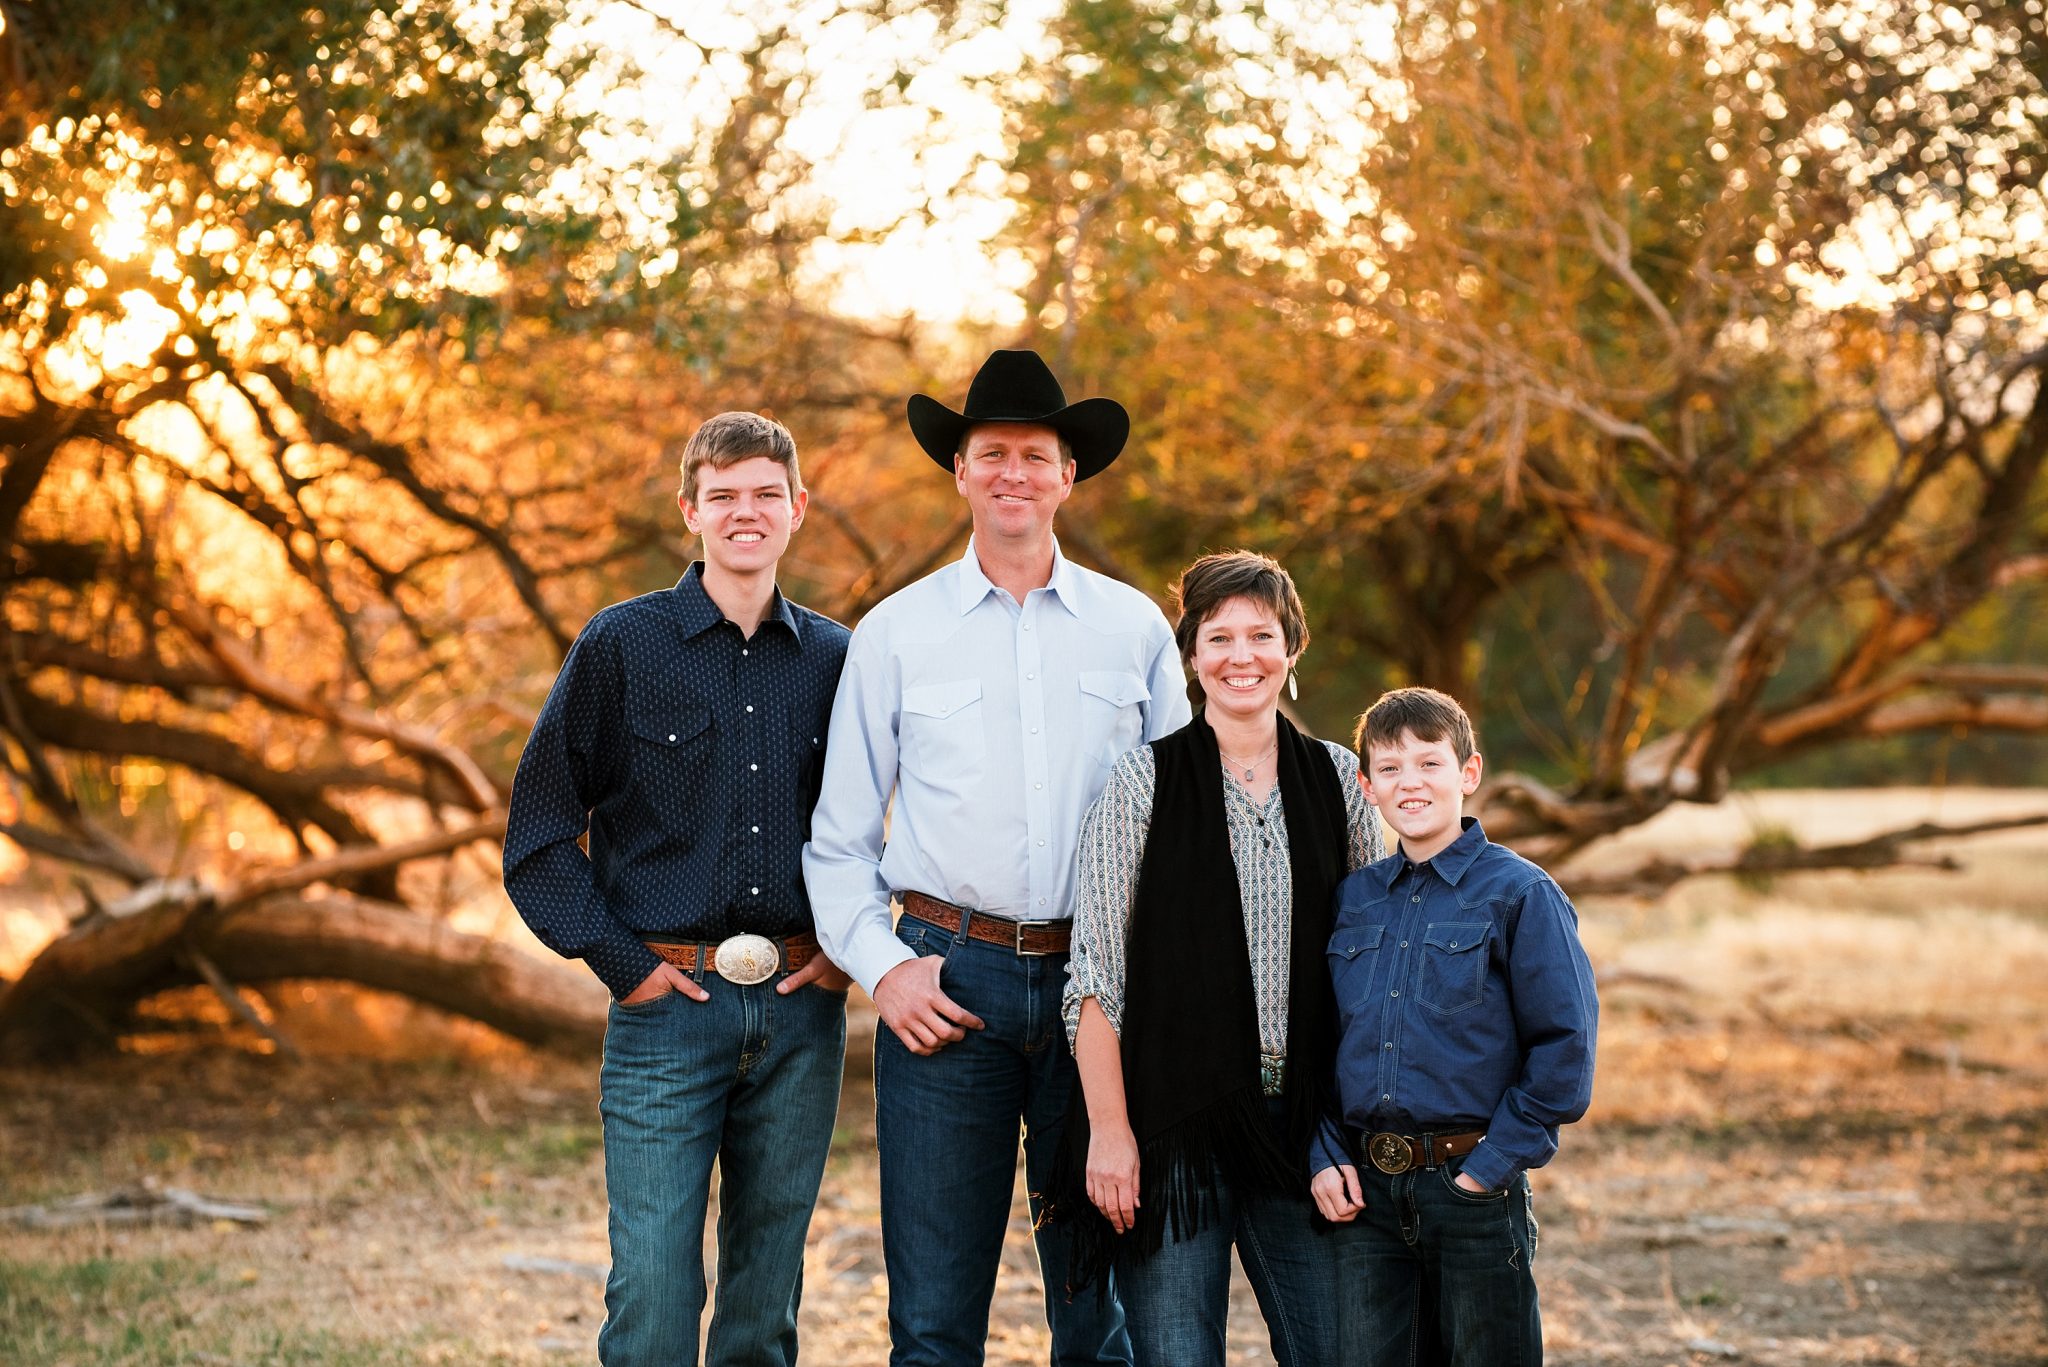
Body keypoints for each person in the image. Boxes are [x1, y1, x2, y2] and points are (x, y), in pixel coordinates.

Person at [804, 349, 1189, 1367]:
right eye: (991, 453)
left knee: (1098, 1316)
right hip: (947, 984)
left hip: (1099, 989)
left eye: (1033, 455)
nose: (1012, 472)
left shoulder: (1134, 630)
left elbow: (1182, 827)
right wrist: (886, 970)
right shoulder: (894, 634)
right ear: (960, 471)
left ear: (1067, 474)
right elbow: (839, 841)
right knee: (934, 1323)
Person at [502, 412, 853, 1367]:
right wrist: (625, 966)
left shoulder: (838, 659)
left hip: (800, 1013)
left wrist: (843, 951)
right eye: (724, 494)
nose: (747, 512)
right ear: (690, 510)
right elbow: (539, 832)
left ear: (798, 508)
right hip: (666, 1009)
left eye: (766, 493)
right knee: (653, 1292)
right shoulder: (621, 644)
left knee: (764, 1302)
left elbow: (877, 821)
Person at [1055, 550, 1384, 1367]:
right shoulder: (1142, 781)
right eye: (1220, 636)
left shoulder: (1340, 779)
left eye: (1262, 635)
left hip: (1308, 1128)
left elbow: (1368, 970)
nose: (1243, 655)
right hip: (1173, 1127)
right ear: (1192, 655)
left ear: (1292, 647)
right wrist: (1111, 1132)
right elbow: (1094, 977)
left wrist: (1352, 1131)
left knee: (1340, 1351)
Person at [1311, 686, 1599, 1366]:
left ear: (1468, 773)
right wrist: (1324, 1154)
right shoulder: (1353, 900)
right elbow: (1321, 1043)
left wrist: (1487, 1170)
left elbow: (1565, 1047)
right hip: (1366, 1199)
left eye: (1429, 763)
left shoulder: (1520, 892)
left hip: (1472, 1185)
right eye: (1389, 767)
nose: (1409, 782)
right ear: (1367, 786)